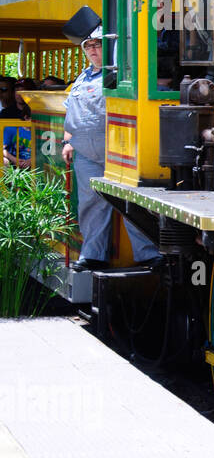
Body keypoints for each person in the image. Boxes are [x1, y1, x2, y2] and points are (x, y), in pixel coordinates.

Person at [62, 21, 162, 272]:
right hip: (85, 154)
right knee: (90, 204)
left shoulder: (120, 75)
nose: (93, 50)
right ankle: (93, 255)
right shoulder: (82, 76)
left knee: (131, 203)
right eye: (89, 46)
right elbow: (71, 111)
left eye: (98, 45)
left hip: (118, 152)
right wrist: (67, 141)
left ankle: (148, 254)